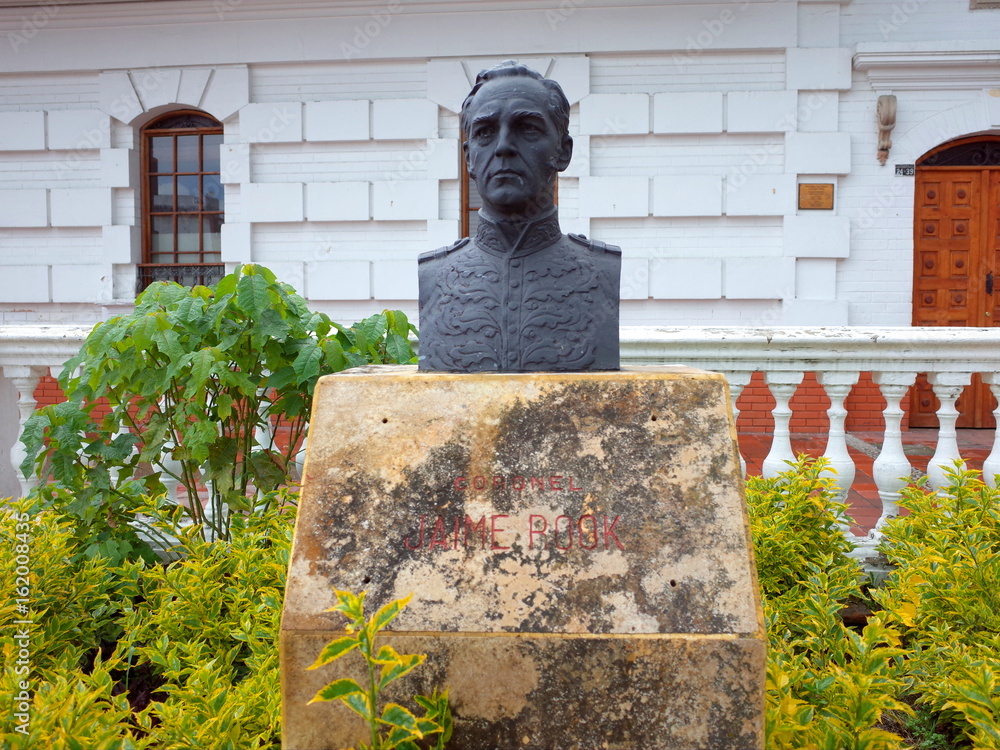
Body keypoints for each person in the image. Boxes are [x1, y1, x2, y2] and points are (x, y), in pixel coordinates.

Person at [417, 60, 621, 372]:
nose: (503, 147)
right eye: (485, 132)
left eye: (527, 128)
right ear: (469, 157)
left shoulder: (603, 269)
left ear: (563, 151)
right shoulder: (434, 273)